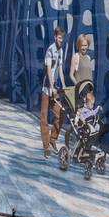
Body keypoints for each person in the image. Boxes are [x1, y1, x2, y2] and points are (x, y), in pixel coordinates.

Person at [40, 25, 67, 158]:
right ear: (55, 37)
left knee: (59, 115)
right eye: (60, 38)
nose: (61, 40)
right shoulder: (50, 50)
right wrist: (51, 87)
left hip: (55, 89)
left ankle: (53, 140)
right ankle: (46, 147)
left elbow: (60, 70)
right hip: (47, 89)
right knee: (44, 117)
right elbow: (49, 71)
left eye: (63, 38)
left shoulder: (61, 51)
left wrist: (63, 84)